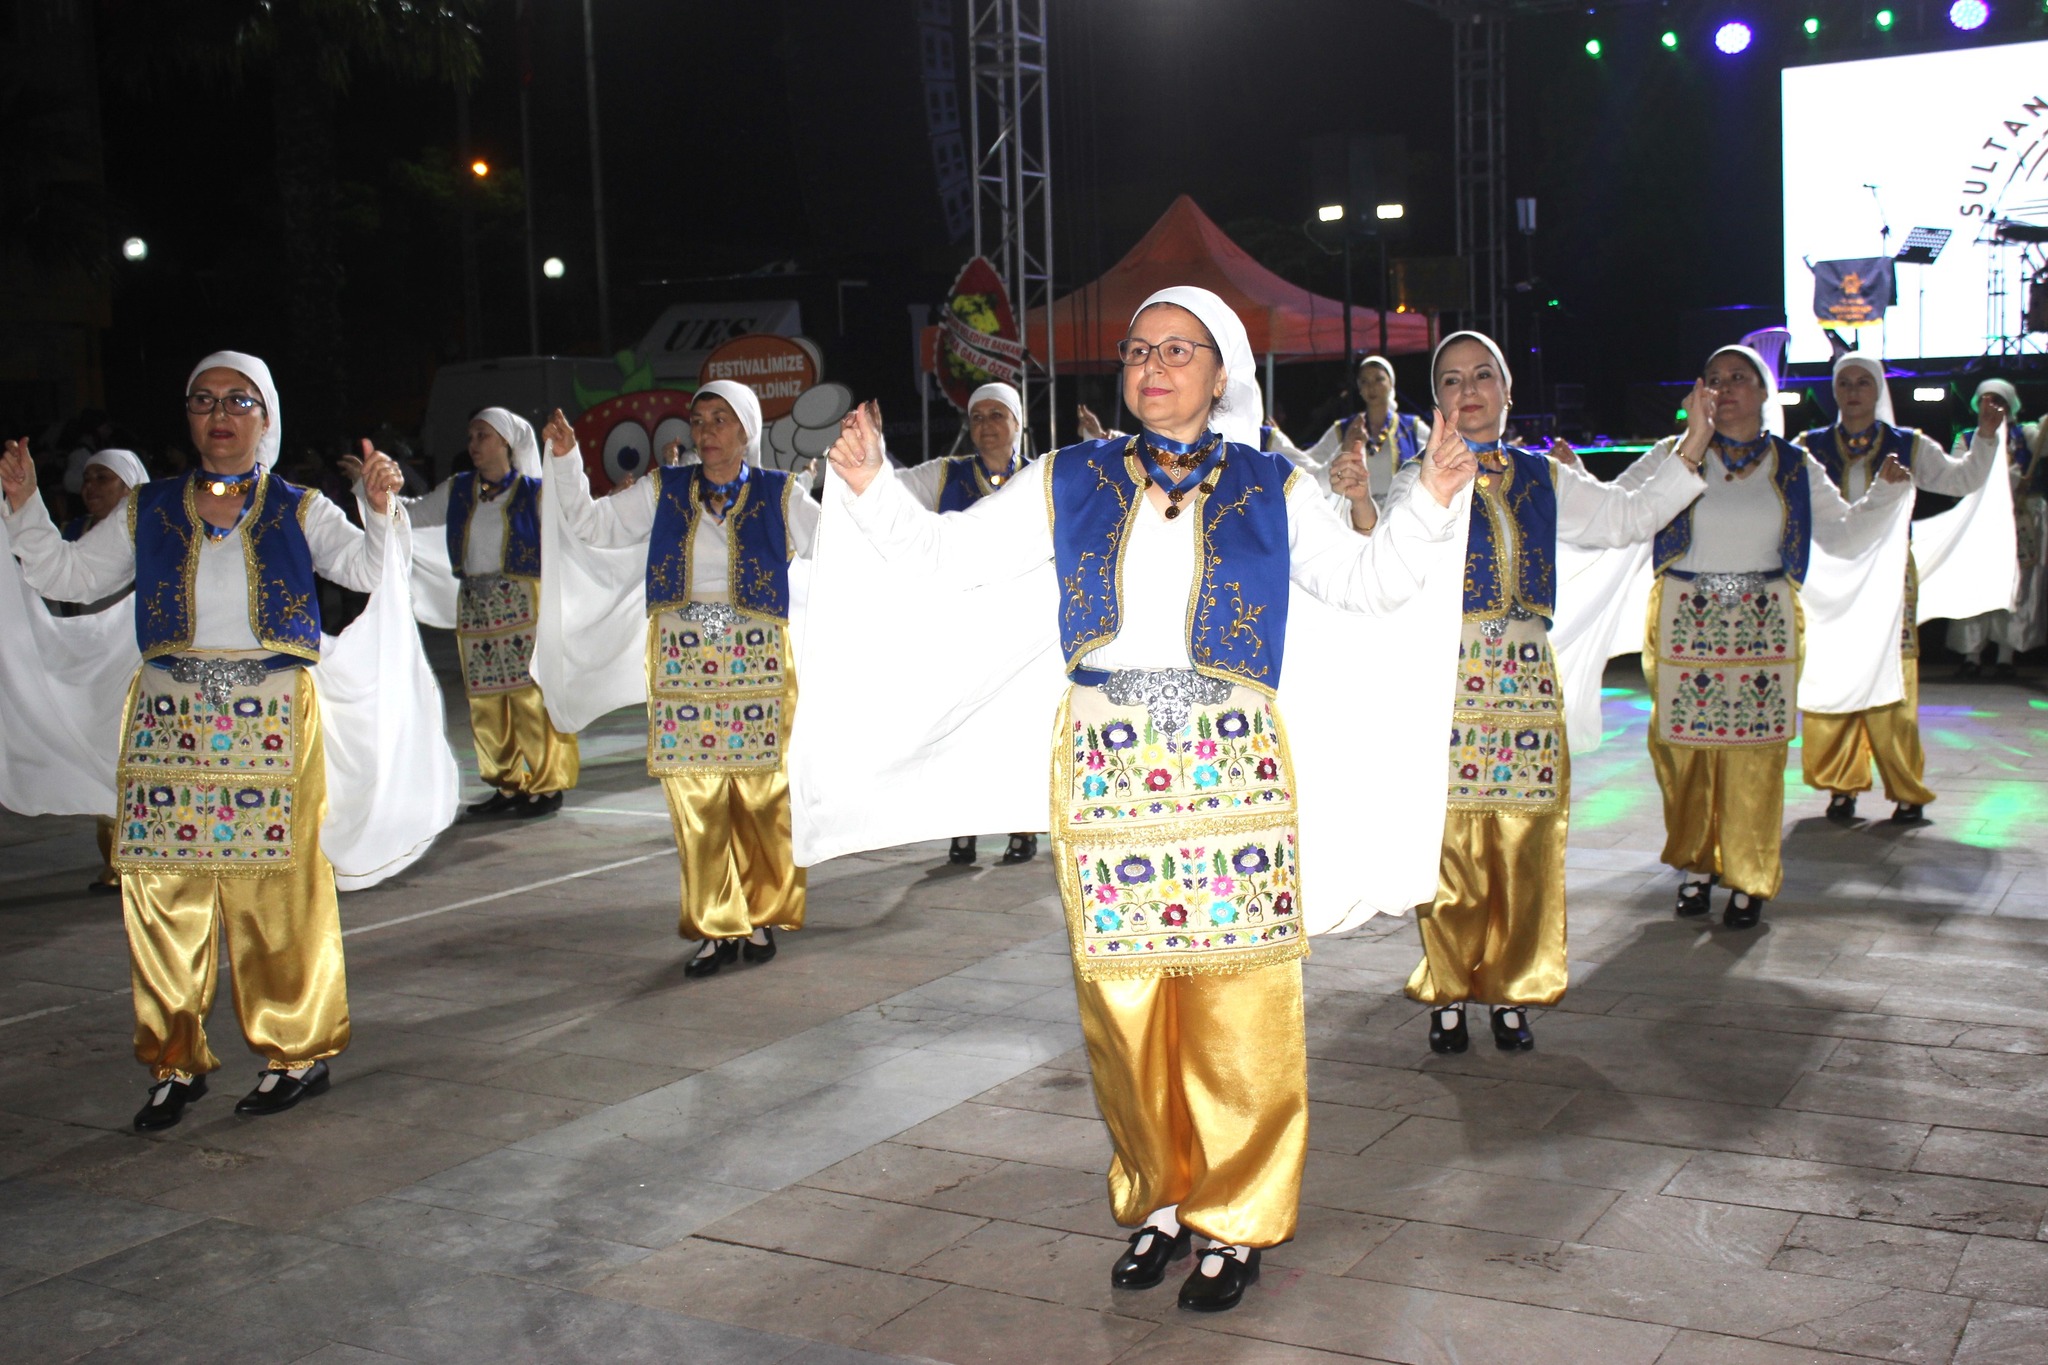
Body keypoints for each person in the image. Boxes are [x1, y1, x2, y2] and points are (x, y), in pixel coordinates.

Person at [823, 286, 1476, 1314]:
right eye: (1138, 350)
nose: (1153, 366)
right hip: (1109, 767)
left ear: (1221, 374)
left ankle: (1236, 1216)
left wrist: (1429, 500)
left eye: (1178, 349)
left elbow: (1366, 583)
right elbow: (950, 557)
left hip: (1232, 767)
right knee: (1124, 1002)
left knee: (1238, 1000)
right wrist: (869, 488)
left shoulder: (1272, 483)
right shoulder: (1068, 476)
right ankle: (1161, 1199)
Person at [0, 352, 410, 1130]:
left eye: (237, 400)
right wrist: (24, 506)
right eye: (204, 400)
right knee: (161, 893)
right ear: (188, 416)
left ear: (266, 417)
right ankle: (173, 1061)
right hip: (169, 719)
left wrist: (380, 506)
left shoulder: (299, 507)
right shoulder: (148, 507)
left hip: (272, 717)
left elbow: (364, 569)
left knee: (275, 892)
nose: (219, 414)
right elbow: (69, 575)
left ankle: (296, 1051)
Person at [1394, 333, 1705, 1056]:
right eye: (1451, 380)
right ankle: (1449, 987)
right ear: (1436, 400)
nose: (1468, 391)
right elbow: (1383, 563)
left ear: (1508, 392)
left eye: (1482, 376)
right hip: (1445, 679)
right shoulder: (1413, 481)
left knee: (1526, 841)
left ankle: (1514, 986)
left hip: (1526, 682)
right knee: (1449, 844)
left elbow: (1629, 516)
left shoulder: (1543, 478)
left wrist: (1693, 441)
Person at [543, 381, 817, 976]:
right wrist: (566, 462)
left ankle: (762, 913)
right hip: (683, 660)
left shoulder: (780, 493)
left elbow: (837, 545)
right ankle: (715, 924)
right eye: (698, 421)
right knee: (696, 799)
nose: (706, 431)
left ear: (746, 430)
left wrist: (862, 489)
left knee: (762, 797)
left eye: (720, 420)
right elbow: (592, 524)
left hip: (758, 661)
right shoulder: (664, 489)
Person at [1645, 346, 1910, 929]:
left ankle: (1748, 875)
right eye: (1714, 379)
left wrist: (1885, 494)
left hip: (1762, 629)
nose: (1725, 388)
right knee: (1686, 758)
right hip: (1686, 627)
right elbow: (1625, 509)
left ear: (1765, 391)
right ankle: (1696, 865)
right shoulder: (1674, 455)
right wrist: (1569, 478)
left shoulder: (1794, 465)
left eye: (1739, 377)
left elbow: (1843, 533)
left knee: (1755, 762)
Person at [1796, 353, 2000, 825]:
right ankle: (1841, 784)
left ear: (1878, 389)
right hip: (1831, 578)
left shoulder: (1908, 444)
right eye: (1844, 383)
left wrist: (1986, 437)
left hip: (1889, 577)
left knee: (1893, 676)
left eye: (1862, 382)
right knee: (1834, 671)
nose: (1853, 391)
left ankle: (1905, 787)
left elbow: (1962, 479)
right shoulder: (1809, 446)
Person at [365, 409, 580, 818]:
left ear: (506, 442)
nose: (474, 444)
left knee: (530, 697)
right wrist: (376, 493)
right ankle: (507, 784)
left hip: (522, 606)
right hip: (476, 609)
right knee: (486, 701)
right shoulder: (459, 489)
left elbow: (577, 522)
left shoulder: (534, 492)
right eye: (471, 436)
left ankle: (547, 784)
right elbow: (410, 514)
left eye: (483, 435)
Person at [899, 381, 1042, 867]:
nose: (986, 425)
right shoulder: (944, 474)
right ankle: (961, 829)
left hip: (1021, 625)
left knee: (1017, 728)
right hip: (960, 627)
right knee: (959, 730)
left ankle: (1022, 824)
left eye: (997, 415)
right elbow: (886, 494)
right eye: (977, 417)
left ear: (1018, 422)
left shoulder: (1041, 478)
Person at [55, 449, 152, 893]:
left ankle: (135, 856)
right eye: (88, 478)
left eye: (103, 478)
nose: (90, 487)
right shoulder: (72, 535)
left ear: (130, 489)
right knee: (99, 754)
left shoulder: (150, 537)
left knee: (132, 757)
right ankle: (114, 857)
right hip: (87, 665)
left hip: (134, 663)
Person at [1948, 379, 2045, 678]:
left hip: (2018, 521)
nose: (1992, 406)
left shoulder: (2026, 434)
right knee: (1974, 586)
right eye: (1986, 400)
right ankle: (1971, 656)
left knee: (2015, 588)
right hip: (1978, 520)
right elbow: (1958, 476)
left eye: (1998, 401)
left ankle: (2006, 657)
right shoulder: (1966, 438)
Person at [1270, 355, 1430, 509]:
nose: (1371, 386)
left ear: (1391, 383)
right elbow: (1309, 460)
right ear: (1359, 388)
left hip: (1400, 514)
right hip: (1358, 515)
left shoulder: (1412, 427)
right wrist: (1279, 441)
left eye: (1379, 379)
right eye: (1364, 381)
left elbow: (1433, 457)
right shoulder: (1347, 429)